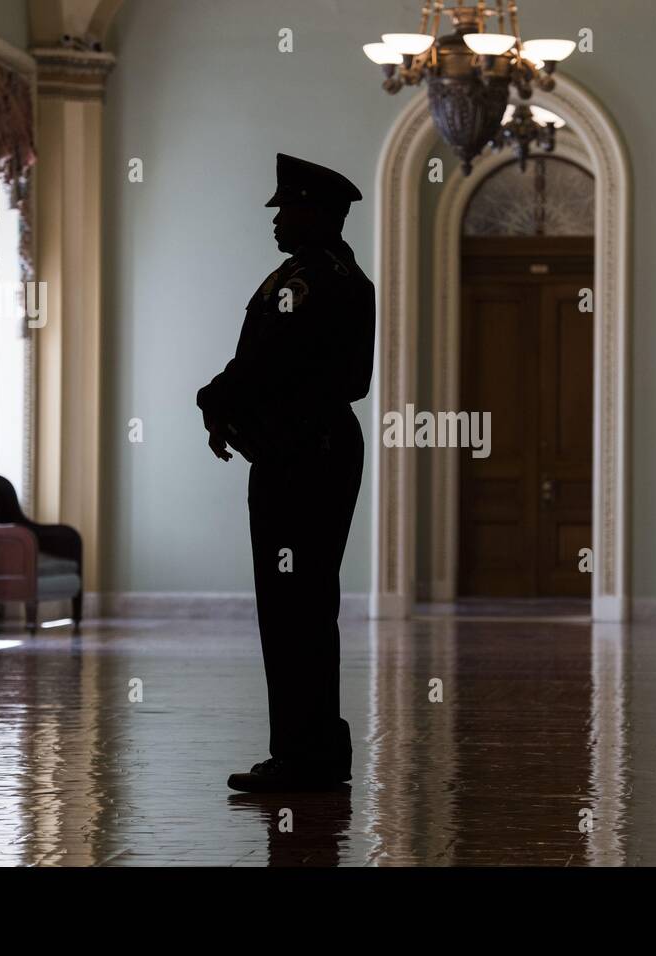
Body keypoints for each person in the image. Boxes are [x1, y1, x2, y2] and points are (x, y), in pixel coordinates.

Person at [196, 153, 374, 793]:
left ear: (317, 214)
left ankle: (305, 755)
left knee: (291, 604)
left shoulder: (308, 281)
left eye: (287, 210)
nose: (275, 222)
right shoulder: (336, 276)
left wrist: (214, 396)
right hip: (317, 444)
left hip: (302, 451)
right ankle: (315, 747)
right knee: (305, 602)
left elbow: (269, 362)